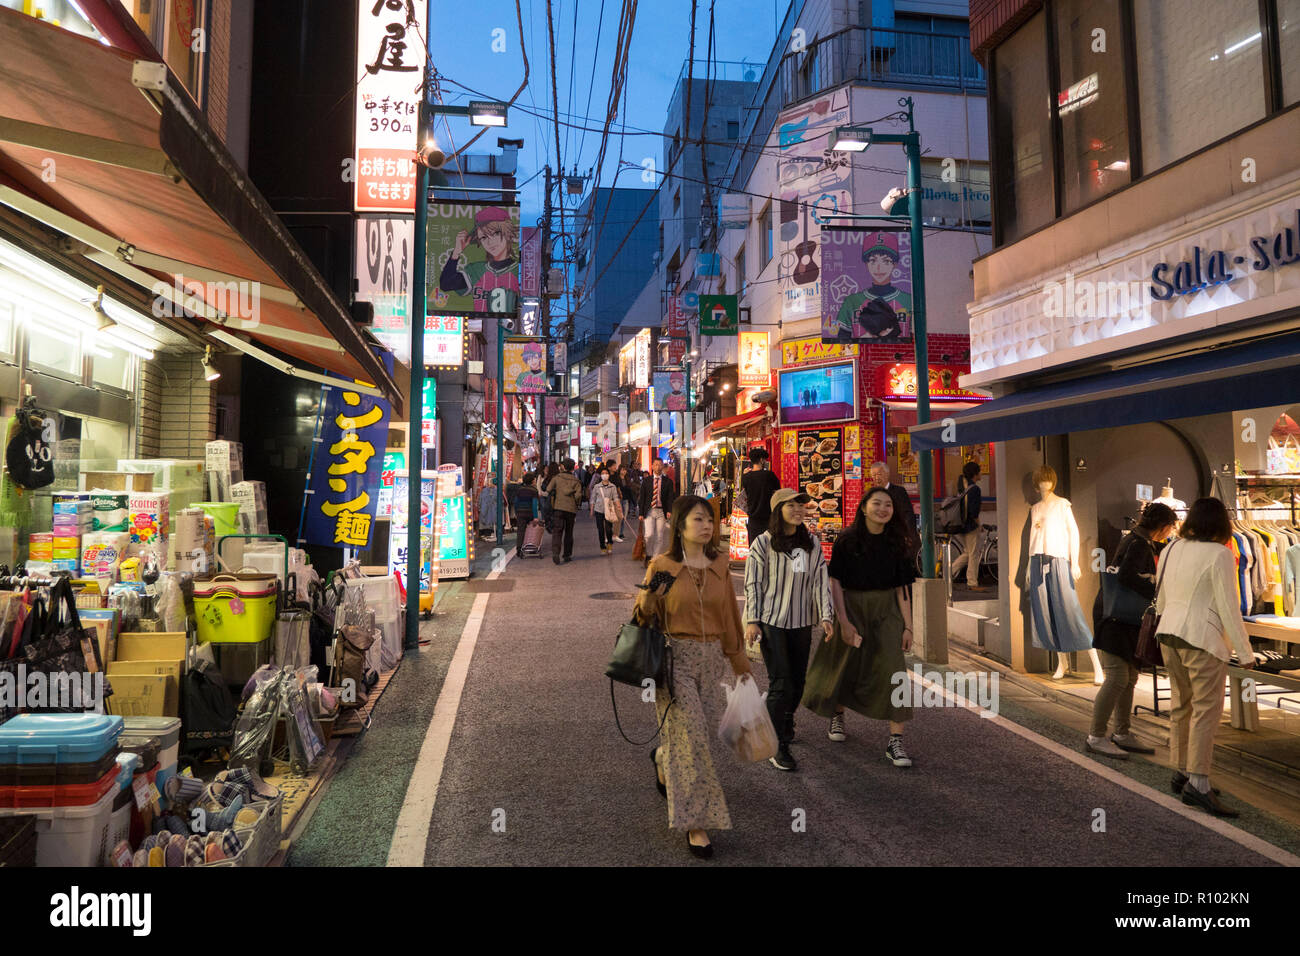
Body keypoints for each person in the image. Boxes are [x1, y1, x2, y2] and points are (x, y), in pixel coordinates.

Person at [635, 495, 754, 859]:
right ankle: (696, 822)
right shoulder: (663, 564)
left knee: (693, 737)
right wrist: (651, 596)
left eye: (710, 520)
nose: (707, 526)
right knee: (693, 740)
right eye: (699, 519)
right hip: (676, 660)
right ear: (680, 524)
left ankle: (661, 761)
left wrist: (741, 667)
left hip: (713, 659)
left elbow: (731, 620)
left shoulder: (720, 567)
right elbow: (642, 617)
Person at [802, 487, 917, 768]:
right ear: (863, 508)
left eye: (888, 505)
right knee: (846, 663)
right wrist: (843, 620)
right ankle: (837, 715)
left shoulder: (899, 542)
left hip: (886, 610)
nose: (882, 509)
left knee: (894, 671)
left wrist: (909, 627)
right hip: (851, 606)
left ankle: (896, 741)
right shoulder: (847, 540)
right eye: (876, 503)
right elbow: (836, 581)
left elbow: (903, 588)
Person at [1155, 497, 1255, 817]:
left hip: (1168, 634)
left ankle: (1182, 772)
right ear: (1222, 524)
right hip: (1202, 639)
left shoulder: (1171, 547)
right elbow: (1228, 606)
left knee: (1182, 705)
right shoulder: (1220, 554)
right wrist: (1245, 651)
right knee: (1205, 712)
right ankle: (1198, 784)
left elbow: (1161, 594)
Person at [744, 488, 833, 772]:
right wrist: (752, 620)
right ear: (777, 510)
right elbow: (753, 584)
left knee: (798, 685)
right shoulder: (763, 543)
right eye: (791, 505)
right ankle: (776, 742)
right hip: (772, 622)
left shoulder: (811, 543)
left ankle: (783, 719)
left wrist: (827, 616)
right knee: (781, 684)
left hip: (802, 623)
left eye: (801, 505)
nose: (798, 509)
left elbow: (821, 580)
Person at [1085, 502, 1178, 759]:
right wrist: (1154, 588)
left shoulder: (1138, 539)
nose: (1170, 532)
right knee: (1117, 677)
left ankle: (1122, 732)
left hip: (1121, 618)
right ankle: (1095, 736)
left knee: (1130, 677)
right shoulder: (1138, 543)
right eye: (1170, 527)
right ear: (1161, 526)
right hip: (1116, 619)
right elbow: (1127, 576)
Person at [948, 461, 989, 591]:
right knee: (973, 554)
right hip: (970, 526)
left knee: (967, 552)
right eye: (979, 471)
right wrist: (979, 525)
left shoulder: (962, 487)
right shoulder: (975, 489)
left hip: (960, 525)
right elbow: (974, 511)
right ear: (975, 474)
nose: (981, 473)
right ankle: (972, 582)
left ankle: (947, 574)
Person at [868, 461, 918, 559]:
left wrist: (908, 534)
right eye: (873, 475)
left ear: (887, 474)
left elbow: (908, 514)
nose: (876, 478)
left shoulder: (899, 491)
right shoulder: (871, 494)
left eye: (879, 474)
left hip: (897, 536)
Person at [638, 457, 677, 561]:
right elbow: (642, 497)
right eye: (656, 464)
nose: (658, 467)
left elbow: (670, 498)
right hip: (649, 511)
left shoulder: (668, 482)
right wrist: (641, 513)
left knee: (659, 536)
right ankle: (649, 553)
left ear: (663, 467)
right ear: (652, 466)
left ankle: (654, 559)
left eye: (660, 465)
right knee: (649, 535)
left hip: (661, 511)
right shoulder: (646, 481)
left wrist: (669, 510)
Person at [740, 448, 781, 547]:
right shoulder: (769, 475)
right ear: (762, 460)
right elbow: (777, 493)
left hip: (753, 520)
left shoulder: (746, 477)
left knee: (754, 549)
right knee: (769, 549)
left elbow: (743, 492)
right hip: (768, 519)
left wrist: (745, 475)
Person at [546, 459, 582, 565]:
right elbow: (578, 496)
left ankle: (556, 553)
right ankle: (567, 555)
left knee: (557, 531)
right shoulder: (576, 481)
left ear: (563, 467)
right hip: (571, 509)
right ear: (572, 468)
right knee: (569, 532)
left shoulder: (557, 478)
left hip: (558, 508)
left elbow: (548, 489)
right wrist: (576, 502)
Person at [591, 469, 622, 554]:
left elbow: (615, 497)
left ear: (609, 475)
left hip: (609, 510)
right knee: (600, 529)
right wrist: (591, 510)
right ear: (600, 475)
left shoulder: (613, 486)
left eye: (606, 473)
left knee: (608, 529)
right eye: (602, 473)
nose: (604, 475)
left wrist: (618, 506)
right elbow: (593, 499)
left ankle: (610, 543)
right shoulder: (597, 486)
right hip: (599, 510)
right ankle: (602, 547)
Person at [512, 473, 542, 558]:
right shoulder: (534, 490)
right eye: (535, 480)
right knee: (531, 530)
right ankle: (531, 547)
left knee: (521, 531)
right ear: (532, 481)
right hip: (530, 513)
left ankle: (519, 548)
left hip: (520, 512)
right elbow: (534, 504)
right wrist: (535, 517)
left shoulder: (519, 489)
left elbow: (516, 502)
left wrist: (516, 512)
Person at [476, 475, 498, 540]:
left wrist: (479, 508)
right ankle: (490, 533)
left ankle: (483, 534)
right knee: (491, 522)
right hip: (491, 511)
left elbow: (479, 501)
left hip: (484, 511)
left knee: (484, 523)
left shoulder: (483, 491)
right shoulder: (497, 491)